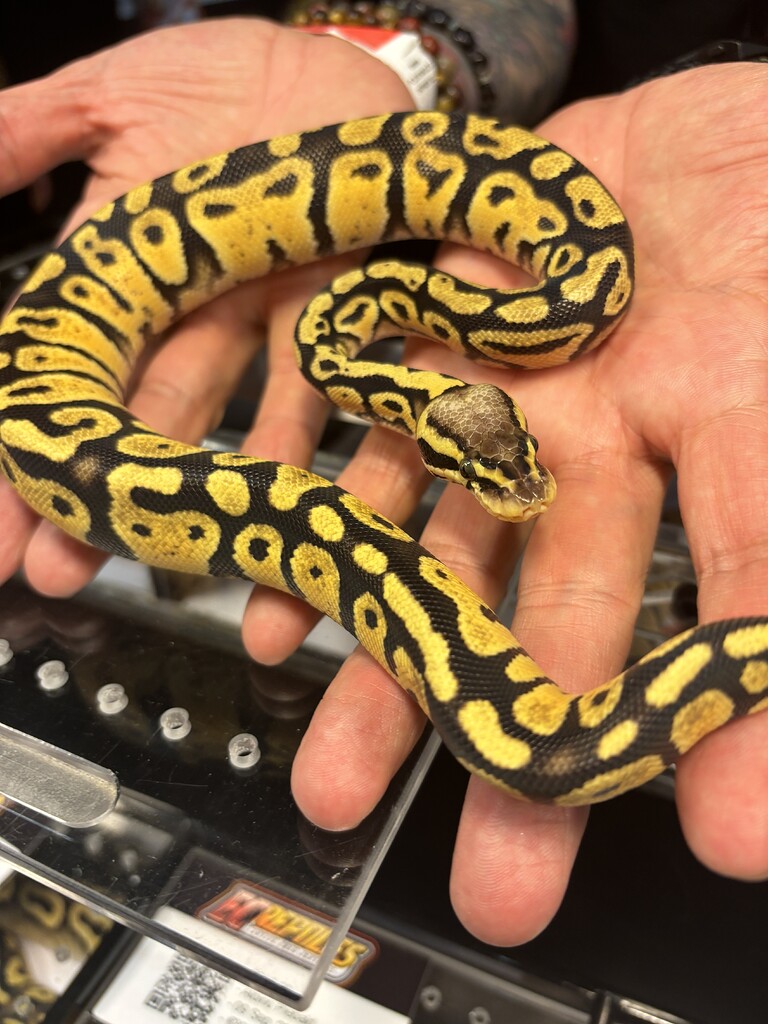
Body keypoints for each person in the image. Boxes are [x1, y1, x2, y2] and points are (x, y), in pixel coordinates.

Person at [0, 16, 766, 947]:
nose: (523, 488)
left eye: (511, 457)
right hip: (66, 342)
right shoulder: (376, 359)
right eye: (486, 467)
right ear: (423, 424)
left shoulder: (438, 336)